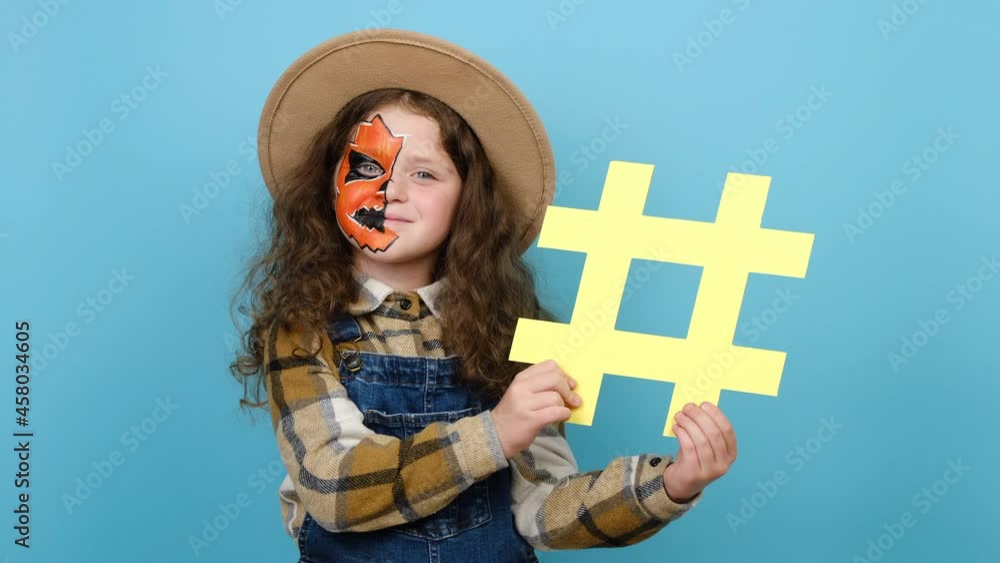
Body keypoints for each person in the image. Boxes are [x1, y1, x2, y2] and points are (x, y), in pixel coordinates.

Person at [230, 29, 737, 563]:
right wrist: (495, 432)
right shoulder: (304, 330)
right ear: (330, 183)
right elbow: (333, 487)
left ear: (467, 203)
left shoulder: (505, 331)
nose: (390, 191)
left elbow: (544, 509)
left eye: (423, 173)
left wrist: (672, 484)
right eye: (367, 168)